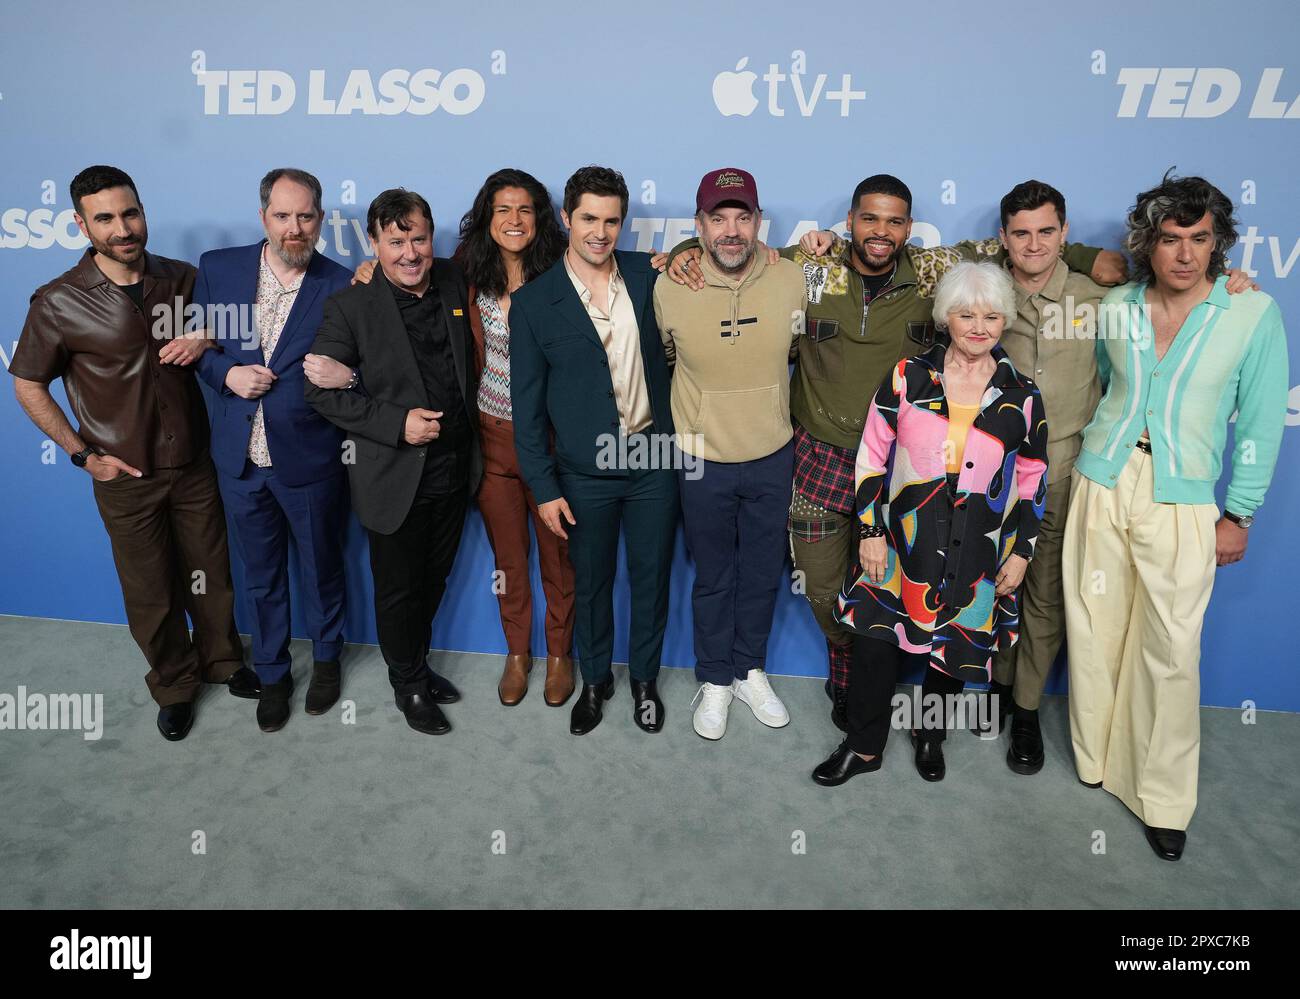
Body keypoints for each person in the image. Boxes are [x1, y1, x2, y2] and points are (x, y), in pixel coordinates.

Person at [666, 176, 1119, 731]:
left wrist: (1082, 253)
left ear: (908, 228)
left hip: (903, 470)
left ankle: (866, 689)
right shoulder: (808, 269)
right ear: (849, 222)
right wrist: (682, 254)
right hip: (818, 456)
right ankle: (843, 662)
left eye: (894, 221)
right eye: (869, 219)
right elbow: (734, 252)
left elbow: (1021, 247)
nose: (880, 232)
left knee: (898, 584)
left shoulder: (934, 272)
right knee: (823, 585)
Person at [1062, 172, 1289, 862]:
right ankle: (1096, 761)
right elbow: (1104, 382)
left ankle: (1162, 797)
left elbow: (1258, 421)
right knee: (1094, 626)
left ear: (1218, 244)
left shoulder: (1251, 313)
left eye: (1199, 238)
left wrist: (1240, 511)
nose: (1185, 253)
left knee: (1170, 650)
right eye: (1170, 239)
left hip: (1183, 497)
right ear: (1148, 244)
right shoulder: (1120, 304)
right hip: (1103, 478)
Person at [8, 165, 255, 741]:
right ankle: (174, 685)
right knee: (151, 590)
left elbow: (231, 328)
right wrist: (81, 454)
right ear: (81, 224)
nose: (123, 228)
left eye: (130, 213)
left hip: (195, 463)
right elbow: (27, 384)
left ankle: (222, 663)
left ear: (143, 212)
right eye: (106, 219)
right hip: (124, 474)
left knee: (211, 576)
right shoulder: (57, 301)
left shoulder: (183, 279)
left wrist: (207, 335)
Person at [811, 261, 1049, 786]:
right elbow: (872, 456)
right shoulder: (908, 376)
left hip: (978, 550)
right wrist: (871, 530)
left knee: (952, 648)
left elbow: (1032, 477)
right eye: (967, 314)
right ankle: (864, 745)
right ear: (947, 318)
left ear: (1005, 320)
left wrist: (1022, 550)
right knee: (875, 642)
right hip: (899, 541)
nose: (979, 326)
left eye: (990, 315)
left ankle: (929, 733)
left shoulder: (1022, 396)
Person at [305, 188, 481, 736]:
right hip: (393, 476)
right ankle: (405, 684)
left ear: (433, 238)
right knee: (399, 587)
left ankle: (417, 665)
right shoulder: (350, 305)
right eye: (396, 241)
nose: (410, 253)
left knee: (434, 579)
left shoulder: (453, 279)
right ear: (375, 244)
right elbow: (320, 391)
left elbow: (521, 254)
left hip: (455, 468)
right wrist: (395, 423)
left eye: (419, 239)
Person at [509, 166, 678, 736]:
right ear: (566, 219)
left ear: (622, 222)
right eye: (588, 219)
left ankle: (646, 681)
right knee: (592, 583)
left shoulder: (651, 275)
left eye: (611, 221)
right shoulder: (534, 302)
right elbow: (526, 409)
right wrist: (544, 487)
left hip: (654, 462)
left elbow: (721, 252)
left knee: (652, 579)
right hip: (584, 472)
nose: (600, 232)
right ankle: (595, 680)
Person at [192, 168, 353, 732]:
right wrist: (226, 374)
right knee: (260, 575)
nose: (294, 227)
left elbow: (363, 367)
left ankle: (328, 660)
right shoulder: (219, 268)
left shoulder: (342, 284)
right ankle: (273, 672)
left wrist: (347, 375)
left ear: (321, 220)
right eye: (283, 216)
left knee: (323, 568)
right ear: (263, 217)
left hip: (311, 458)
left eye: (305, 216)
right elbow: (198, 343)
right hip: (239, 458)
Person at [653, 167, 803, 740]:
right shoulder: (670, 284)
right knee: (713, 575)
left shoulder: (794, 279)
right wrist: (673, 257)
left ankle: (748, 669)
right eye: (718, 220)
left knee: (763, 572)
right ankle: (714, 677)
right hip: (700, 456)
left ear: (759, 223)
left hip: (771, 449)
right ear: (699, 227)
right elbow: (661, 356)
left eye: (743, 218)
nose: (731, 231)